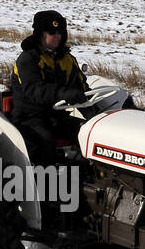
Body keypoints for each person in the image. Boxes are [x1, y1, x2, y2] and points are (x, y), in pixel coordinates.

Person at [9, 9, 90, 165]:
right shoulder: (27, 59)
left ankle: (89, 175)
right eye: (52, 32)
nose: (57, 36)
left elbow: (81, 86)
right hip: (29, 117)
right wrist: (65, 93)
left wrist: (94, 114)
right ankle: (46, 184)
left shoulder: (67, 59)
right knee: (44, 140)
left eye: (60, 32)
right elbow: (35, 90)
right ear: (41, 34)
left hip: (57, 115)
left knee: (87, 131)